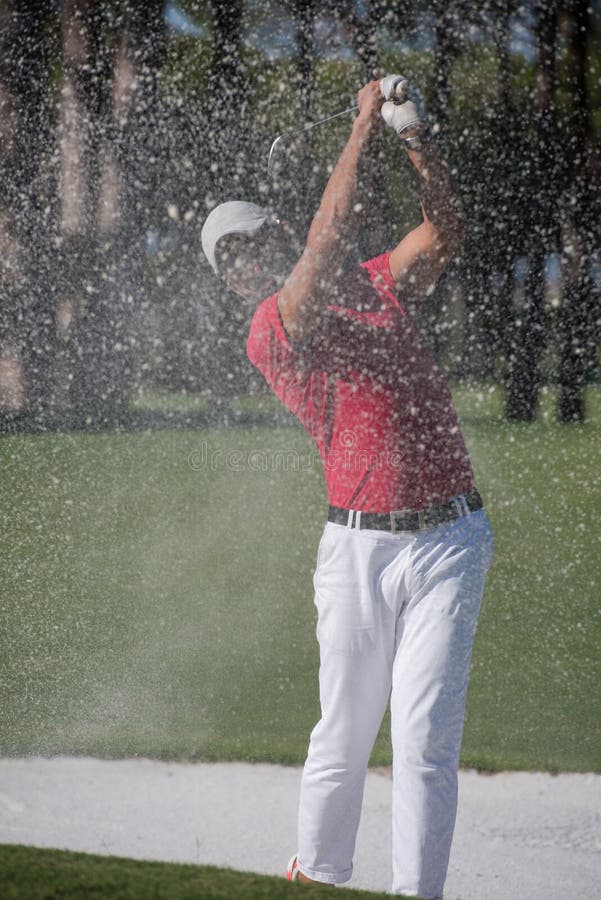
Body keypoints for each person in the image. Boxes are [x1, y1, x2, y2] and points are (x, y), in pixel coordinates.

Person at [200, 76, 494, 900]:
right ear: (229, 284)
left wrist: (413, 135)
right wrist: (362, 123)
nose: (244, 261)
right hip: (356, 550)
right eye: (228, 260)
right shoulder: (270, 328)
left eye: (251, 242)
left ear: (275, 235)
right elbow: (322, 246)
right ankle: (319, 878)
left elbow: (445, 230)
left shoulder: (377, 282)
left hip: (448, 541)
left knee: (425, 740)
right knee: (343, 734)